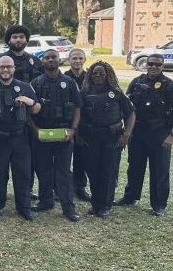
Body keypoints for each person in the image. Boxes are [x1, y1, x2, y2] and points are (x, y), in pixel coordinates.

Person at [119, 54, 173, 216]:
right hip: (138, 133)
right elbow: (128, 108)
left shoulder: (169, 85)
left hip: (160, 134)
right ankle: (130, 197)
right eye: (151, 64)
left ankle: (159, 204)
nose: (154, 67)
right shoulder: (136, 82)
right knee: (134, 167)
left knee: (159, 170)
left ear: (163, 66)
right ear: (146, 64)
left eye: (158, 64)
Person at [0, 55, 42, 219]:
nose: (5, 70)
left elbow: (36, 109)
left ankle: (24, 207)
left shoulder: (25, 87)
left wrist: (30, 102)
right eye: (1, 67)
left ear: (14, 68)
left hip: (20, 138)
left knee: (23, 174)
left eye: (8, 67)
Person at [31, 50, 84, 222]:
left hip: (64, 135)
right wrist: (35, 130)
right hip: (42, 134)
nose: (51, 60)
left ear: (59, 59)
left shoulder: (69, 83)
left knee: (63, 172)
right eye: (47, 58)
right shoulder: (35, 83)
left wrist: (73, 130)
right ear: (42, 61)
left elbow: (77, 107)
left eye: (54, 57)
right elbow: (29, 112)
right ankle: (45, 201)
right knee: (43, 169)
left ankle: (68, 207)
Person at [80, 61, 136, 218]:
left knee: (108, 173)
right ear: (90, 75)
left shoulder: (116, 92)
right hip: (90, 138)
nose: (98, 76)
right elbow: (77, 113)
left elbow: (130, 113)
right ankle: (95, 204)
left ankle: (105, 205)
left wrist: (126, 134)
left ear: (108, 75)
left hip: (112, 137)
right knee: (93, 172)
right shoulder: (84, 92)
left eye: (102, 73)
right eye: (95, 73)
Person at [66, 48, 93, 202]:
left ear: (84, 60)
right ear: (69, 60)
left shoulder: (91, 76)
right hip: (68, 122)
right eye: (74, 58)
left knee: (81, 158)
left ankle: (80, 188)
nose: (77, 61)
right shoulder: (64, 77)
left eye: (80, 58)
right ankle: (63, 188)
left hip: (86, 124)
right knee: (65, 159)